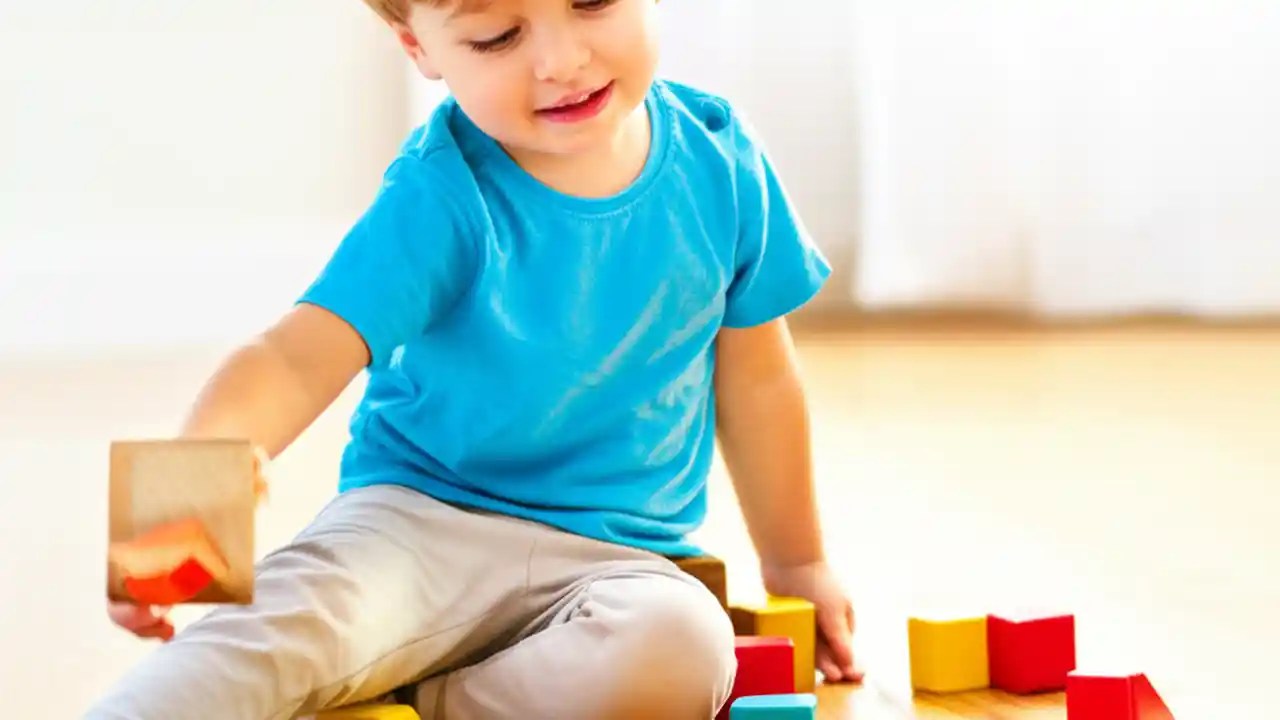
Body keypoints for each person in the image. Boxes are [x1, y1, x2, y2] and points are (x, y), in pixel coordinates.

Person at [86, 0, 860, 717]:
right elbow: (295, 357)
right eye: (498, 36)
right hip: (416, 526)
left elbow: (758, 379)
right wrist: (184, 500)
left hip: (617, 559)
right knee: (284, 627)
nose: (561, 59)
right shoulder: (441, 194)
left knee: (685, 649)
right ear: (419, 46)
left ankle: (432, 697)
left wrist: (797, 562)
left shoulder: (722, 164)